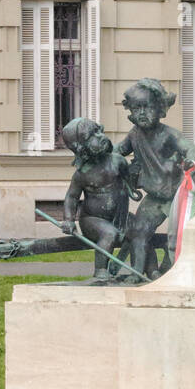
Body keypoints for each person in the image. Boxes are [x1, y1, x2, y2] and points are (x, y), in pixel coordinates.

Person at [118, 79, 195, 282]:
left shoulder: (168, 135)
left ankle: (170, 270)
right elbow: (117, 152)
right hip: (154, 197)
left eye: (147, 107)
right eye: (136, 108)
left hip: (176, 195)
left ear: (161, 110)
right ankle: (137, 272)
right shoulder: (134, 135)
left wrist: (191, 161)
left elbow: (189, 147)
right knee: (139, 233)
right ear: (130, 112)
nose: (142, 113)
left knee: (182, 236)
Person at [60, 118, 132, 284]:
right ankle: (100, 269)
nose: (100, 136)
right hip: (93, 219)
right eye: (92, 136)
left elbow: (130, 182)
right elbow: (71, 197)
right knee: (109, 233)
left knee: (140, 230)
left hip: (119, 217)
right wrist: (69, 220)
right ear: (81, 148)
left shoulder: (118, 161)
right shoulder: (82, 174)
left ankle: (148, 269)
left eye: (98, 131)